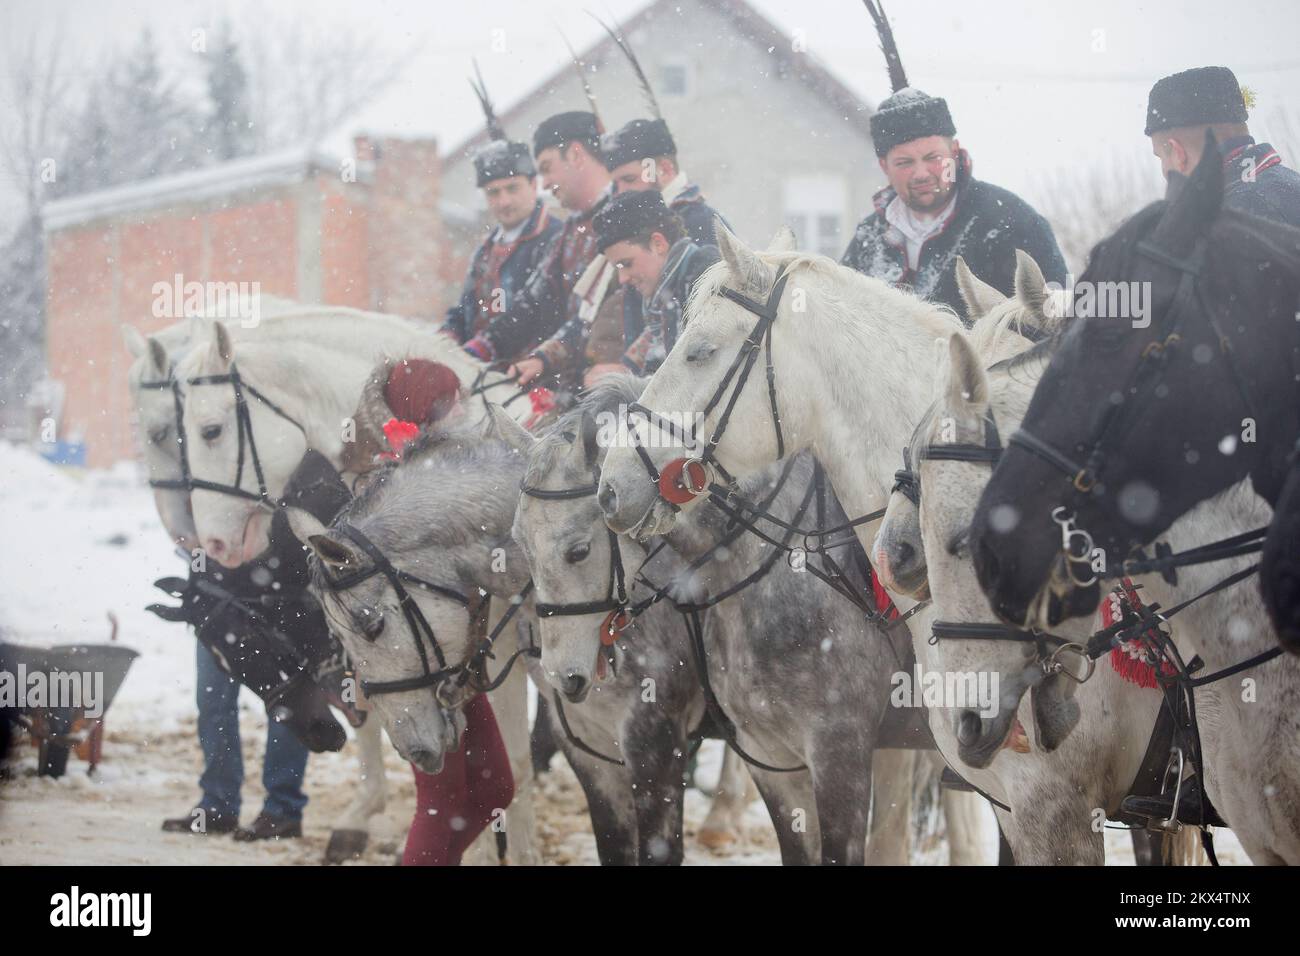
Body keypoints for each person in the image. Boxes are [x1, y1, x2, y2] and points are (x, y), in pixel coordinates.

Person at [349, 358, 517, 866]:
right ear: (428, 410)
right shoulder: (407, 483)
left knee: (493, 790)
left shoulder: (430, 469)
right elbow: (489, 559)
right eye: (453, 400)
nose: (464, 408)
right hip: (419, 671)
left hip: (453, 667)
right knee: (441, 802)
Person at [466, 112, 620, 387]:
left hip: (612, 391)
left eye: (547, 168)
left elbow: (594, 317)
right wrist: (479, 349)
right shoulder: (569, 232)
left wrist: (542, 360)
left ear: (576, 155)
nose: (546, 184)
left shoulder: (621, 218)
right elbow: (531, 303)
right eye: (493, 193)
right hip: (569, 386)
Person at [443, 67, 562, 361]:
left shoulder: (555, 238)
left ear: (534, 185)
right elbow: (465, 309)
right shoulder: (486, 249)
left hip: (534, 379)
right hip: (481, 374)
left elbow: (537, 315)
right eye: (493, 193)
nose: (504, 201)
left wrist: (483, 350)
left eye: (512, 188)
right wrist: (445, 338)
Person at [1145, 66, 1300, 227]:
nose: (1164, 172)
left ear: (1178, 153)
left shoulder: (1222, 222)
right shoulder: (1289, 186)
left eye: (1161, 157)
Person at [593, 190, 720, 375]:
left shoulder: (707, 280)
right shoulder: (666, 296)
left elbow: (699, 379)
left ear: (658, 244)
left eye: (626, 264)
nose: (622, 279)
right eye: (617, 269)